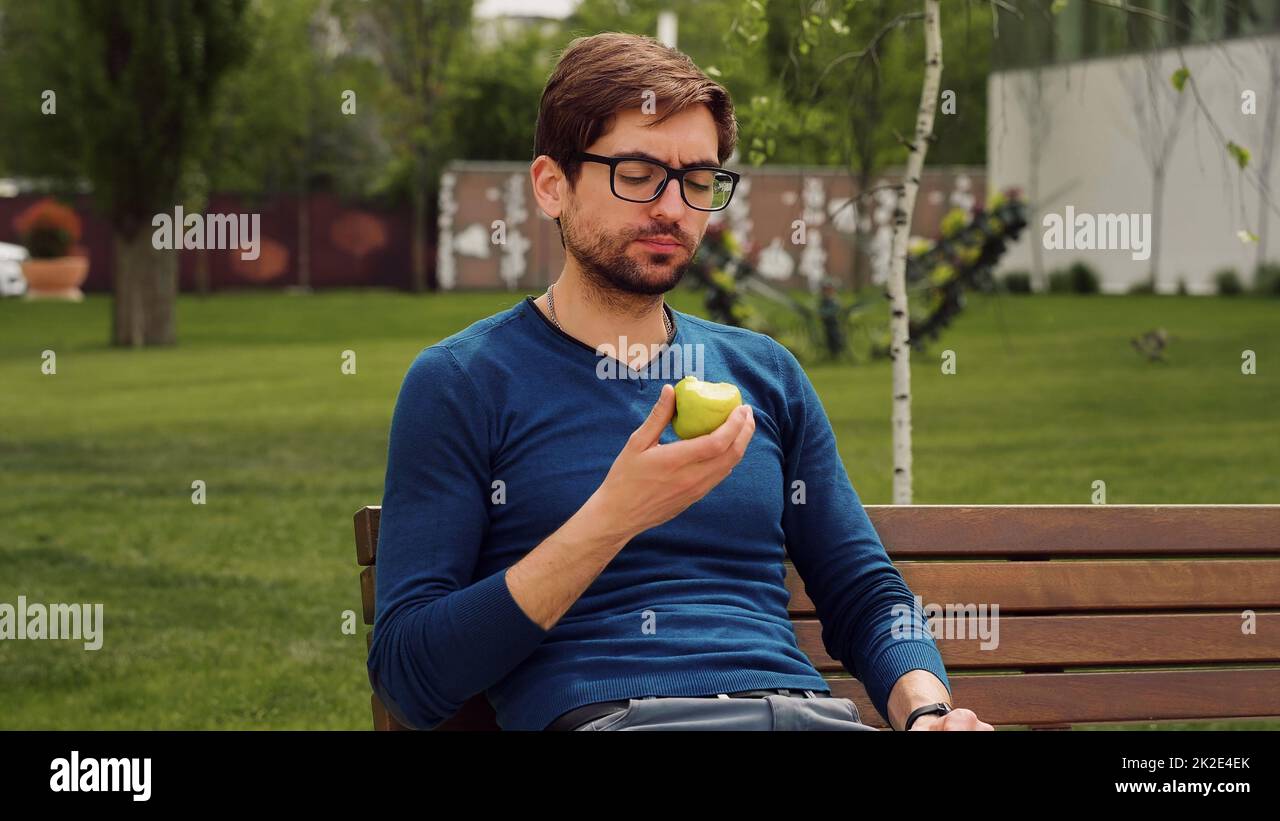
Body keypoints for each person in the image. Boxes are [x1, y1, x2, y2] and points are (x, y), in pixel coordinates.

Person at [367, 31, 992, 732]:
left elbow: (864, 594)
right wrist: (614, 515)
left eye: (698, 180)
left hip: (807, 714)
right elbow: (409, 674)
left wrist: (928, 709)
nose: (672, 206)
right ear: (551, 185)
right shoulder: (463, 382)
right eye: (637, 173)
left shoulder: (765, 373)